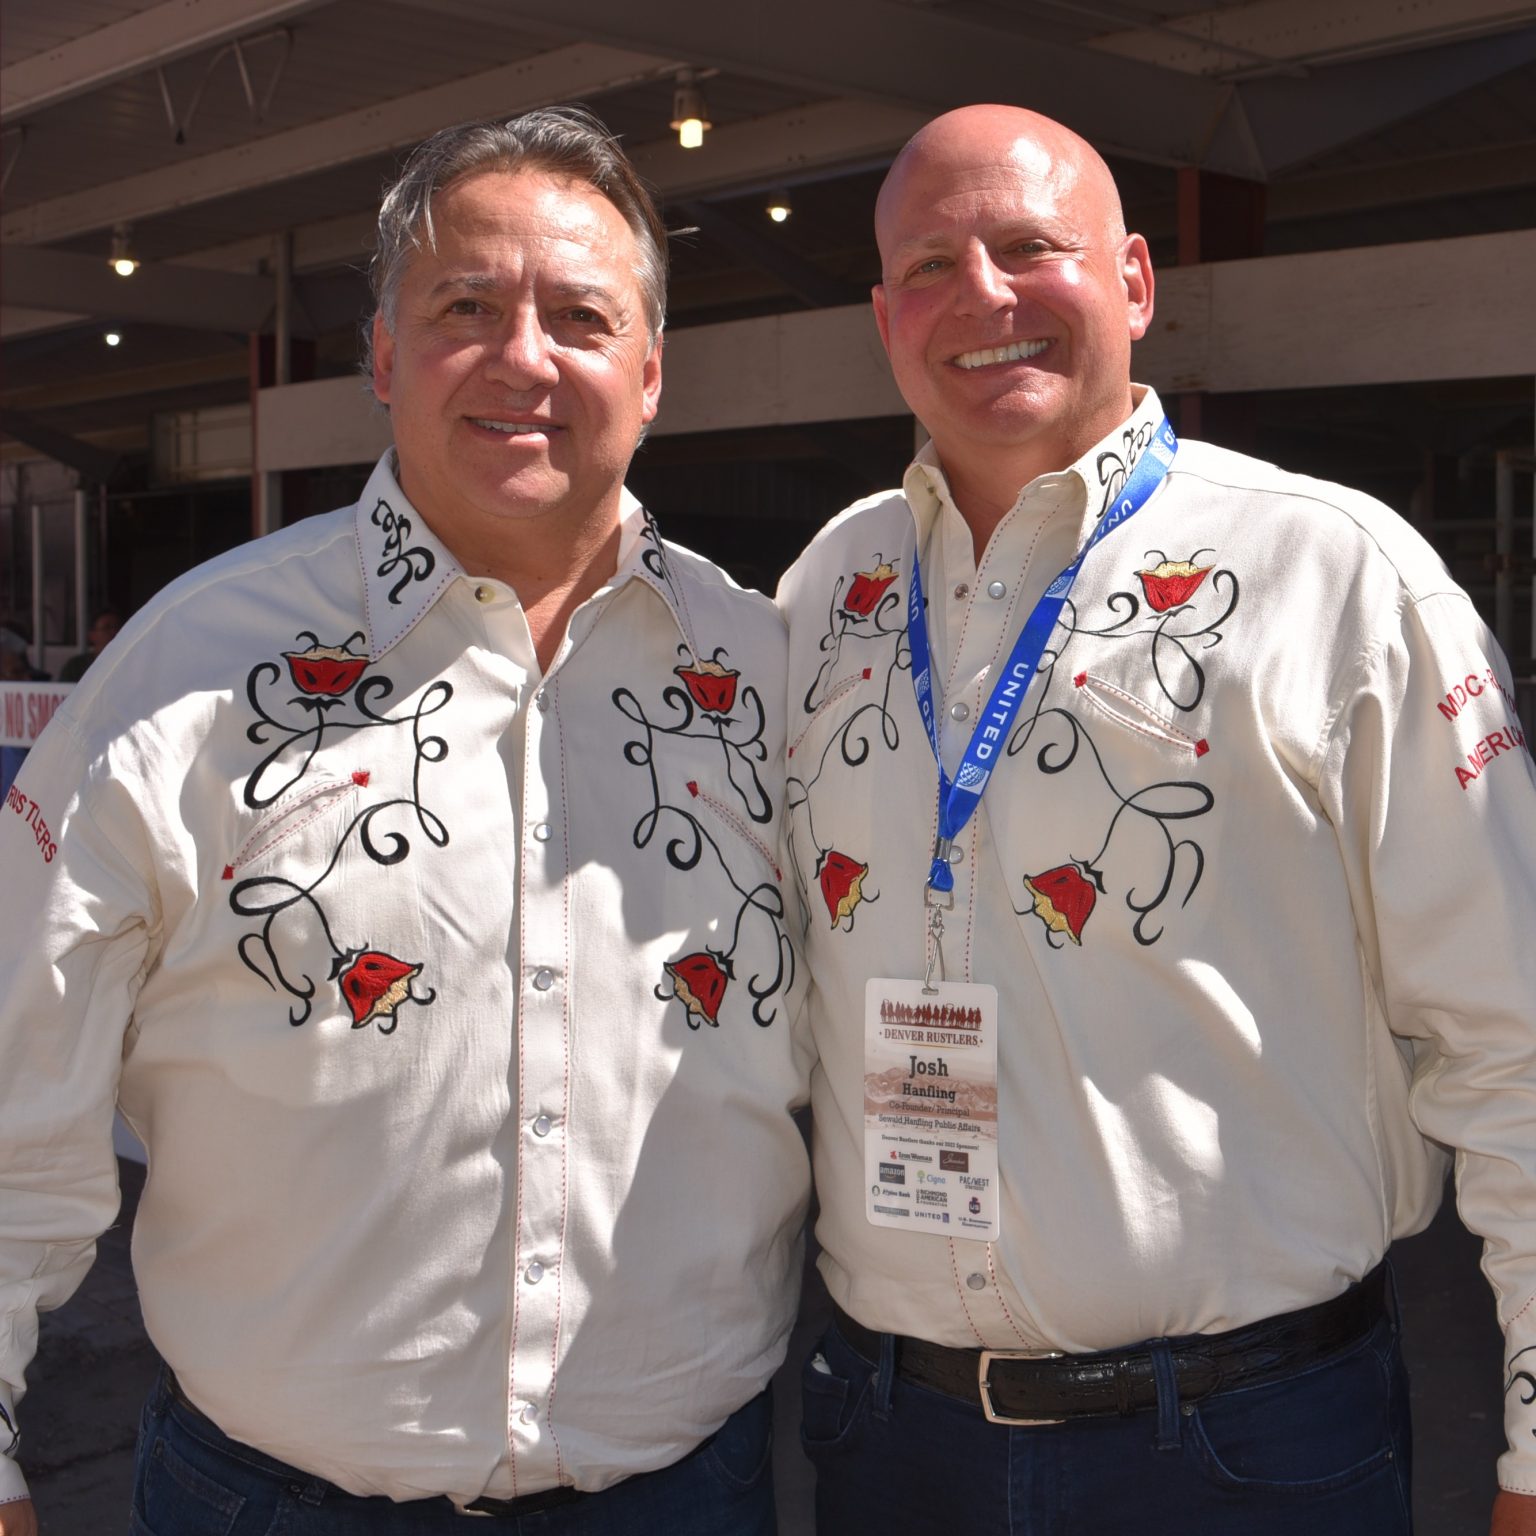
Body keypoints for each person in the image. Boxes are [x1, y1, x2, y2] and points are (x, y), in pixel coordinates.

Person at [0, 108, 810, 1536]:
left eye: (581, 317)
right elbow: (19, 1061)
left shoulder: (767, 675)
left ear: (650, 372)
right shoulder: (192, 664)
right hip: (269, 1503)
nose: (525, 358)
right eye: (466, 308)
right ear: (383, 357)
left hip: (689, 1494)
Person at [776, 103, 1536, 1535]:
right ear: (884, 320)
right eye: (930, 265)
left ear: (1133, 281)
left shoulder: (1333, 573)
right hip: (892, 1441)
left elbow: (1513, 1036)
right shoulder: (828, 591)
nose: (982, 295)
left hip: (1245, 1448)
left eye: (1028, 247)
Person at [56, 608, 122, 682]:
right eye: (107, 628)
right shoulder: (75, 667)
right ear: (92, 635)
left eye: (117, 627)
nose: (114, 632)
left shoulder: (127, 664)